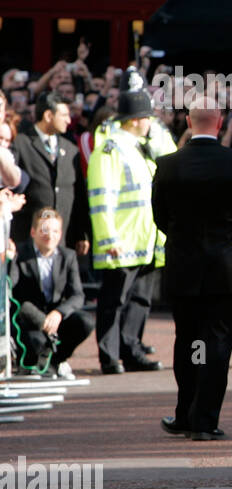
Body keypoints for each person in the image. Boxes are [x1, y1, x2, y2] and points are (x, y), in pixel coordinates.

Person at [153, 98, 232, 440]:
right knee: (215, 345)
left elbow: (160, 216)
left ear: (188, 121)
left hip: (185, 268)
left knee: (189, 342)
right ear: (220, 122)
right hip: (225, 269)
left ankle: (187, 413)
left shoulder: (168, 165)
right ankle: (204, 419)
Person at [86, 85, 166, 374]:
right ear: (135, 119)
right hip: (122, 239)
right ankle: (109, 357)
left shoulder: (137, 147)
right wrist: (108, 237)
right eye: (148, 118)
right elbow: (101, 194)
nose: (151, 123)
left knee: (139, 300)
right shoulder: (109, 148)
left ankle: (131, 352)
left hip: (144, 239)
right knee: (113, 300)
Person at [7, 207, 93, 379]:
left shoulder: (67, 256)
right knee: (36, 342)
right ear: (33, 232)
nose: (49, 235)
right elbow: (11, 288)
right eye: (44, 230)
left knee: (85, 322)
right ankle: (35, 363)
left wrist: (58, 313)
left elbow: (77, 295)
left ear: (60, 234)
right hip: (30, 318)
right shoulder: (21, 253)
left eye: (55, 231)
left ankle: (57, 361)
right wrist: (10, 259)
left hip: (55, 316)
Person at [11, 93, 90, 248]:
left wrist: (82, 233)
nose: (69, 120)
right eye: (64, 115)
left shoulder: (71, 150)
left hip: (64, 240)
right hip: (27, 239)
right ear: (48, 115)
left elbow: (79, 195)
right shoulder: (21, 144)